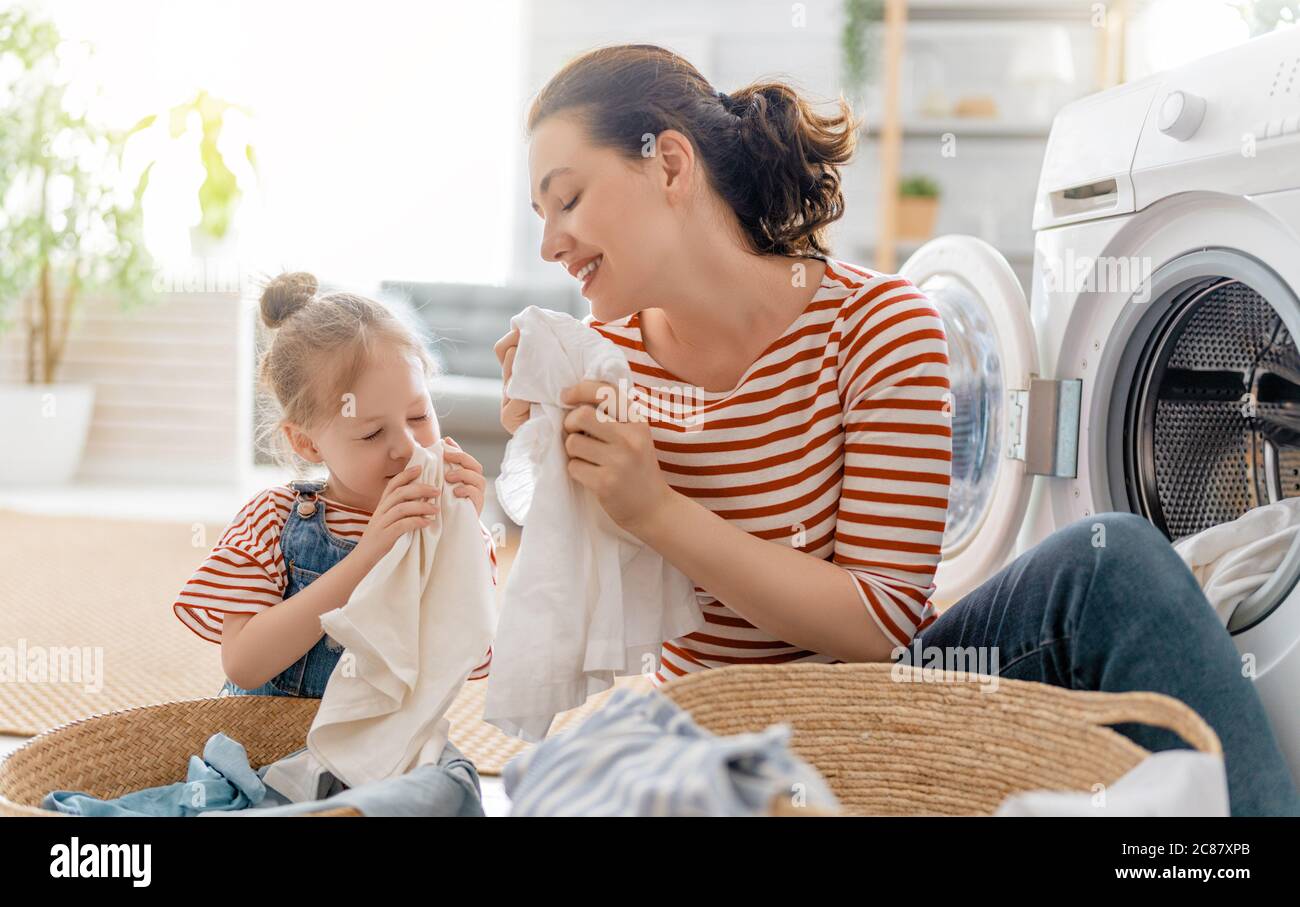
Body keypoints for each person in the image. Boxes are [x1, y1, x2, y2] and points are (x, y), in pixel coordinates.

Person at [494, 43, 1299, 815]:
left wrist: (657, 511)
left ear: (670, 164)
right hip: (709, 725)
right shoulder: (604, 366)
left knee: (1112, 561)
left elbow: (878, 625)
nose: (549, 241)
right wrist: (541, 465)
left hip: (891, 698)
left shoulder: (877, 325)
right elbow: (567, 594)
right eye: (540, 213)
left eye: (567, 199)